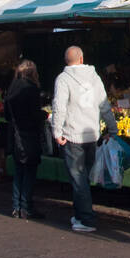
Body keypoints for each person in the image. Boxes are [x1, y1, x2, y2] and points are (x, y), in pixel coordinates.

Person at [50, 46, 114, 233]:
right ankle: (79, 215)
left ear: (66, 60)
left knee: (79, 180)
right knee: (83, 177)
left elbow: (59, 106)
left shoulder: (63, 79)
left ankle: (86, 219)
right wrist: (112, 128)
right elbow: (104, 104)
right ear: (82, 58)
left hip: (73, 134)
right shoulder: (94, 77)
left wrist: (57, 131)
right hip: (92, 133)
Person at [4, 59, 46, 220]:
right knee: (29, 171)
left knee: (19, 171)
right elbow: (35, 114)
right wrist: (44, 115)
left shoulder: (12, 88)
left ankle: (16, 207)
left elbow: (7, 115)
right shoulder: (32, 89)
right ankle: (26, 206)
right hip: (28, 134)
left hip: (15, 134)